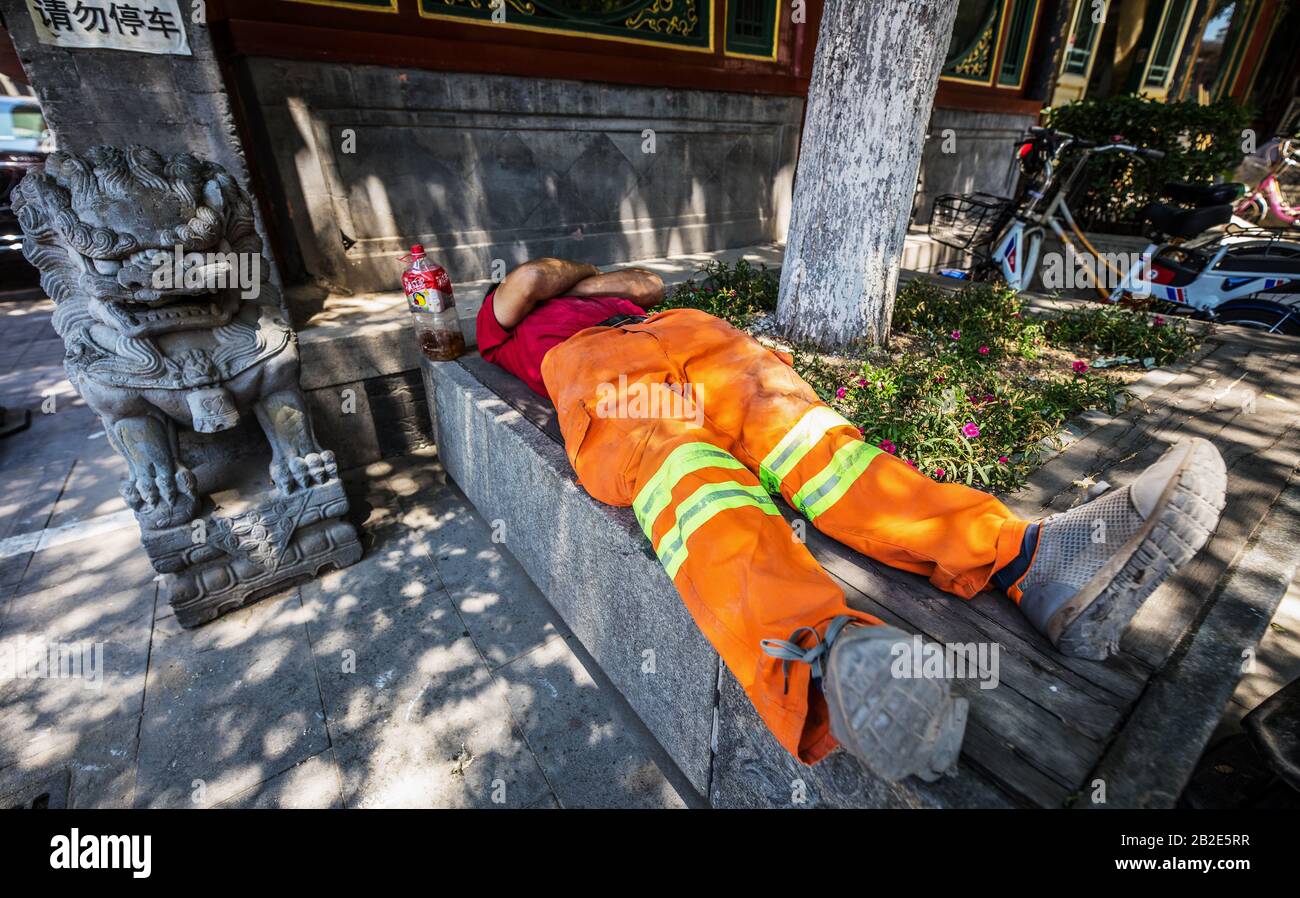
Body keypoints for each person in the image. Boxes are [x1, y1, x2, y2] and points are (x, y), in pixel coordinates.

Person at [475, 257, 1228, 782]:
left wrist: (587, 281)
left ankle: (1029, 560)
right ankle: (825, 663)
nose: (556, 278)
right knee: (684, 471)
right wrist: (567, 284)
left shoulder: (611, 291)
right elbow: (537, 278)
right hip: (595, 364)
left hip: (682, 329)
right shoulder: (500, 323)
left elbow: (646, 281)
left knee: (813, 441)